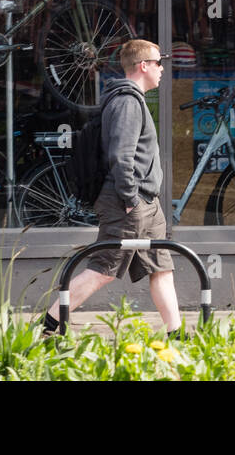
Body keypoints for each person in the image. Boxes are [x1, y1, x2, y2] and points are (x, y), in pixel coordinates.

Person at [43, 39, 181, 335]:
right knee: (104, 269)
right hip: (128, 202)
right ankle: (50, 323)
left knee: (161, 267)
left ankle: (177, 333)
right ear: (143, 66)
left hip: (146, 201)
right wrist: (130, 197)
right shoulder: (127, 102)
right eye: (159, 63)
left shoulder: (132, 99)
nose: (162, 69)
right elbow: (121, 155)